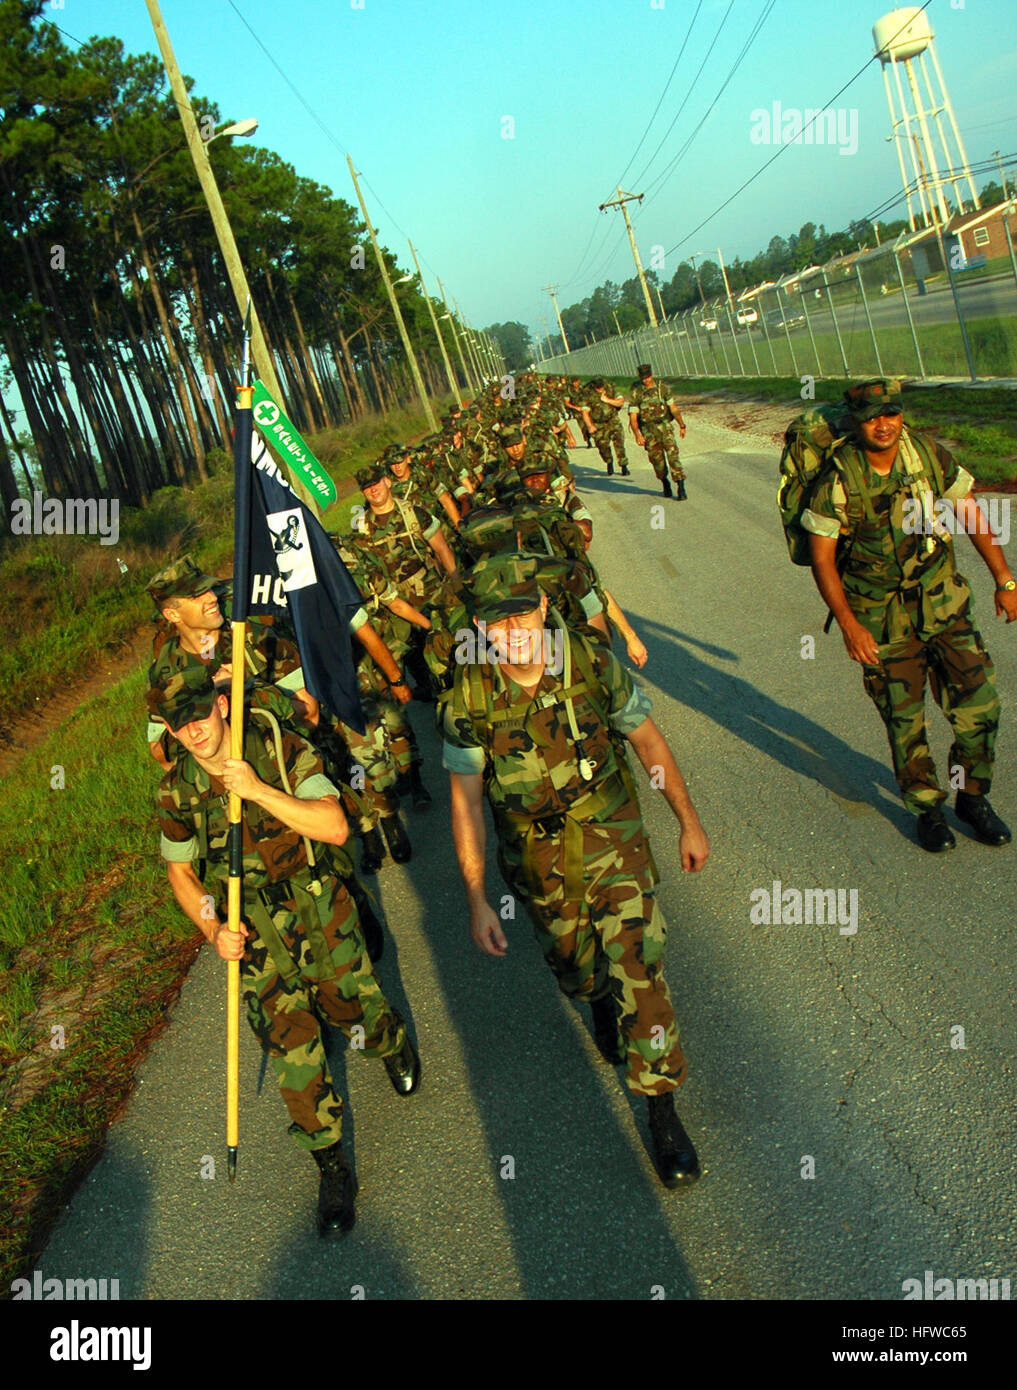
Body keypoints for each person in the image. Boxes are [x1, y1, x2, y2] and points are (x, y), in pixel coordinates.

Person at [441, 555, 710, 1186]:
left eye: (522, 614)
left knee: (640, 968)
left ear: (541, 610)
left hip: (614, 837)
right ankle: (592, 999)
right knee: (576, 965)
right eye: (496, 620)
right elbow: (466, 803)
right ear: (479, 626)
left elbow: (648, 742)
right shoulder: (469, 700)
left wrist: (687, 820)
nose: (514, 631)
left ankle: (662, 1112)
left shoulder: (588, 663)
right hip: (537, 862)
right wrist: (477, 897)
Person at [150, 666, 421, 1239]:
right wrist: (211, 929)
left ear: (222, 703)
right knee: (291, 1047)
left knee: (353, 1016)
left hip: (316, 907)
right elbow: (180, 873)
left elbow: (334, 827)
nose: (195, 731)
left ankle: (389, 1037)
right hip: (252, 933)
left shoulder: (276, 745)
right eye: (180, 724)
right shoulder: (176, 791)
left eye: (201, 713)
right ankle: (331, 1166)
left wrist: (257, 791)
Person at [803, 378, 1016, 852]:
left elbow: (970, 512)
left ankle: (972, 798)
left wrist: (1005, 581)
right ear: (856, 422)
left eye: (892, 413)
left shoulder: (925, 455)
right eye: (873, 416)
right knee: (905, 723)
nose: (884, 424)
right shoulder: (839, 478)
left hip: (943, 603)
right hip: (880, 618)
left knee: (981, 708)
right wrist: (850, 625)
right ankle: (927, 809)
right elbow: (822, 560)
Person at [628, 363, 687, 499]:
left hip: (665, 428)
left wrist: (682, 425)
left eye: (648, 377)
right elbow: (633, 417)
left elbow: (673, 408)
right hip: (648, 432)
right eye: (643, 378)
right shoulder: (636, 391)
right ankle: (664, 481)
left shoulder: (662, 388)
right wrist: (637, 434)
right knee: (657, 462)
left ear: (652, 375)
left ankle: (680, 487)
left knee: (674, 458)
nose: (646, 380)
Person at [586, 377, 630, 477]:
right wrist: (590, 426)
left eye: (601, 386)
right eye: (598, 387)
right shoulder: (588, 394)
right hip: (599, 424)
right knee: (602, 446)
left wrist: (607, 400)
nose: (600, 389)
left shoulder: (611, 390)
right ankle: (609, 461)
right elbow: (585, 412)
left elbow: (621, 402)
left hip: (613, 421)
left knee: (619, 444)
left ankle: (624, 465)